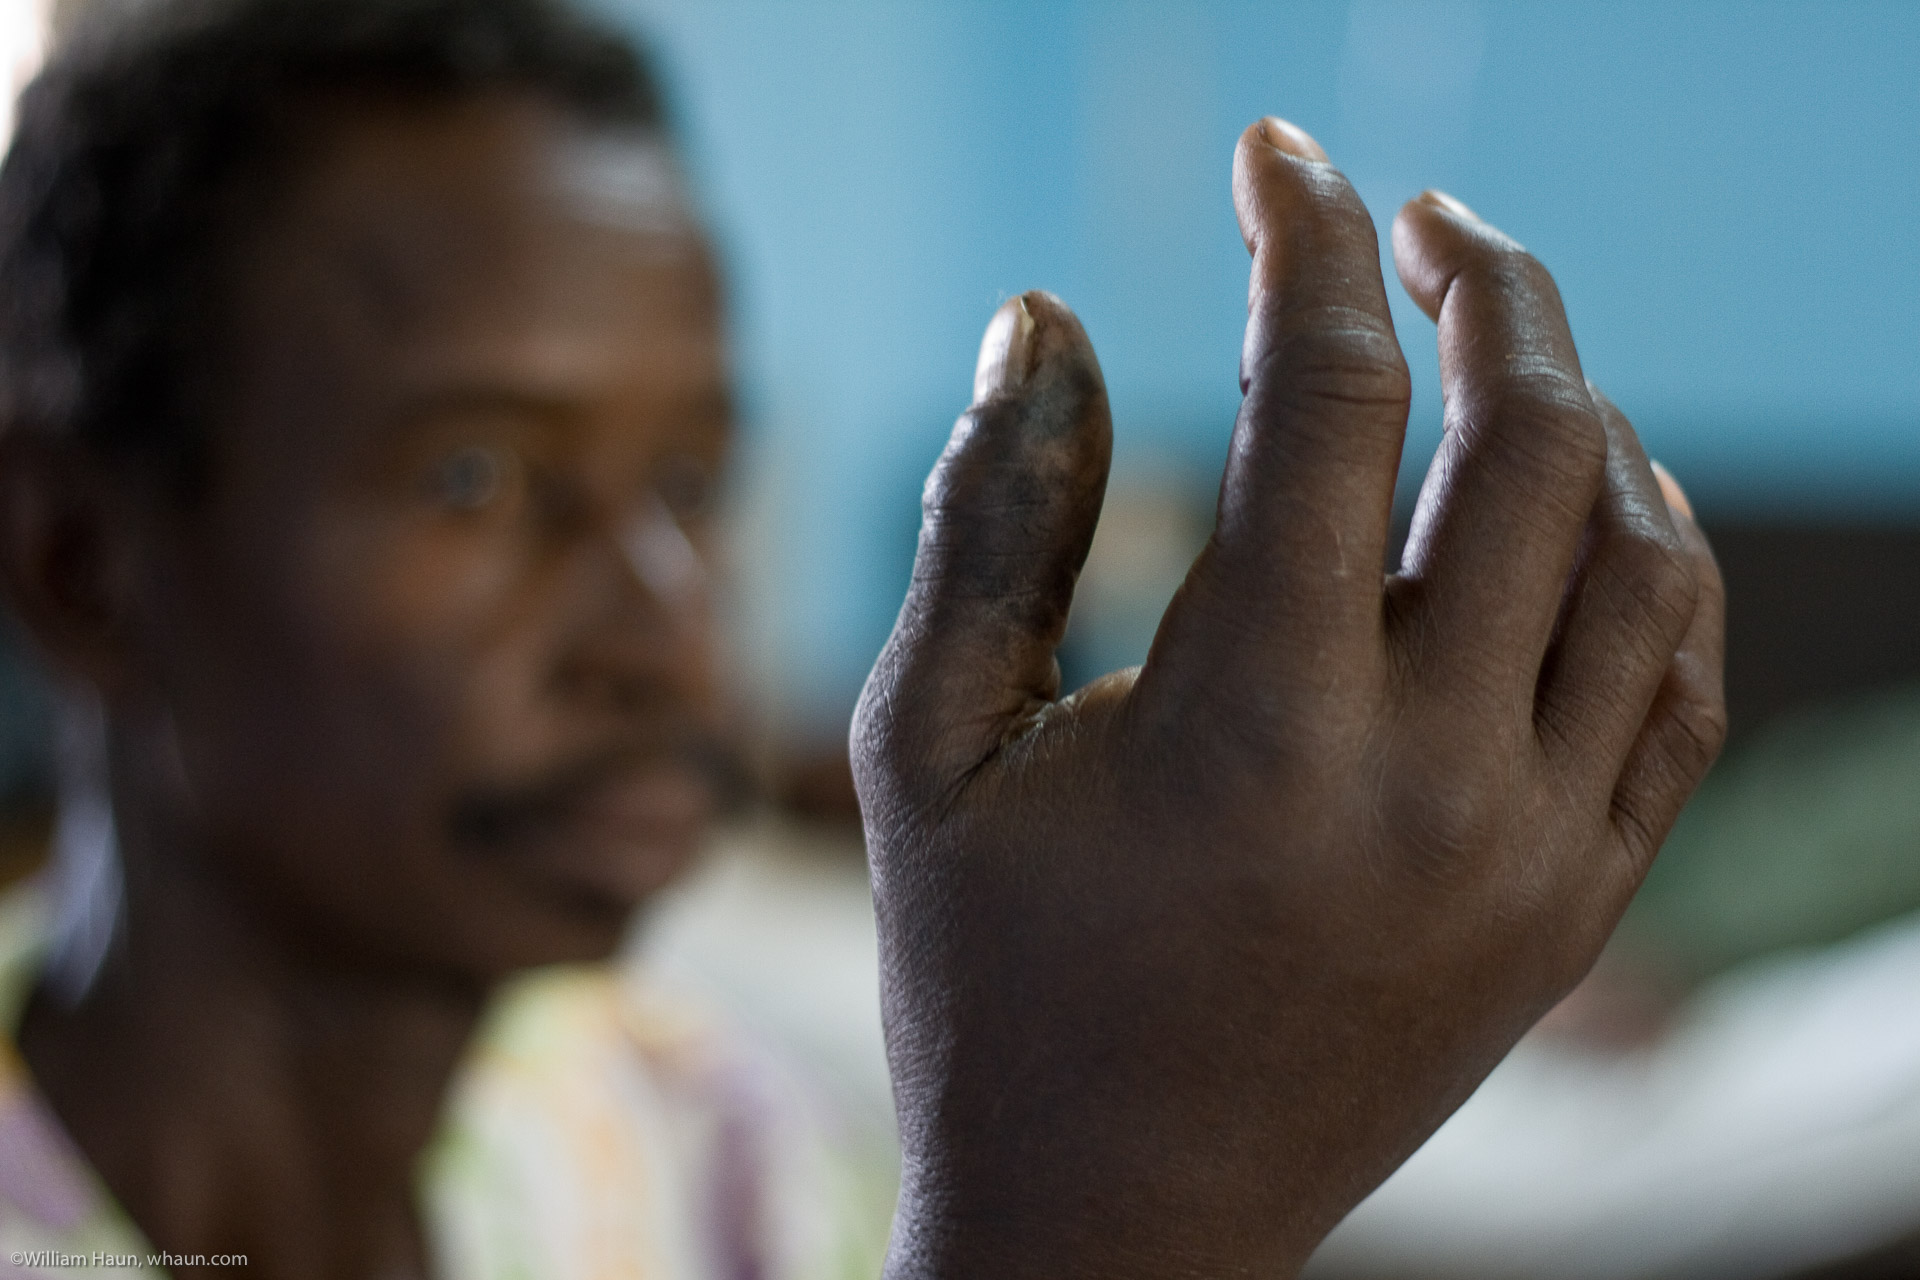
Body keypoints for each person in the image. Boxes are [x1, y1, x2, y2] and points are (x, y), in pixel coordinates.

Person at [0, 0, 1724, 1276]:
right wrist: (1107, 1216)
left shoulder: (714, 1152)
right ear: (80, 564)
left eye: (690, 481)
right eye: (477, 478)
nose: (664, 630)